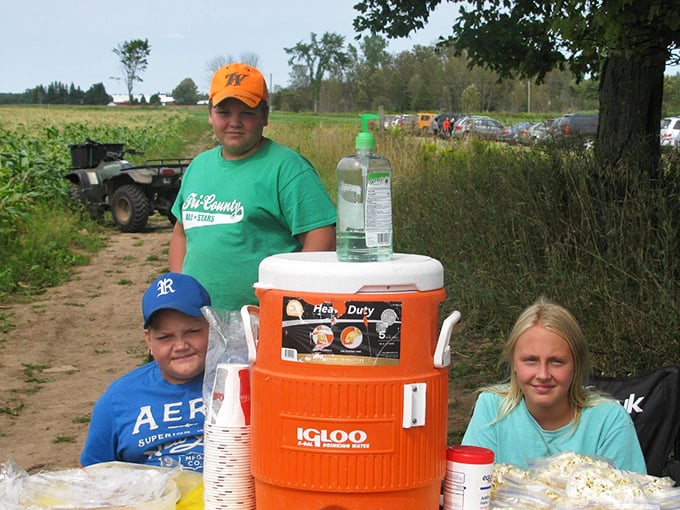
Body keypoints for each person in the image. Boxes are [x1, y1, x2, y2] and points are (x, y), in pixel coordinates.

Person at [169, 62, 336, 311]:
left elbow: (322, 237)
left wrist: (288, 301)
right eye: (224, 112)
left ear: (265, 116)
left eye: (247, 113)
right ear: (210, 114)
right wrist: (180, 293)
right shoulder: (198, 166)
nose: (235, 122)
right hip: (200, 324)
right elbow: (181, 233)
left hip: (262, 323)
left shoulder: (287, 168)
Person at [461, 296, 647, 473]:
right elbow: (469, 487)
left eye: (556, 361)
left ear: (576, 365)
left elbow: (632, 497)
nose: (543, 375)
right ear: (513, 363)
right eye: (530, 360)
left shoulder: (609, 420)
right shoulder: (492, 408)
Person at [80, 272, 211, 471]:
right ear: (148, 341)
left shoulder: (241, 382)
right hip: (152, 499)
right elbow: (92, 474)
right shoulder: (119, 398)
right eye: (165, 337)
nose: (180, 345)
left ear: (213, 326)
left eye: (192, 332)